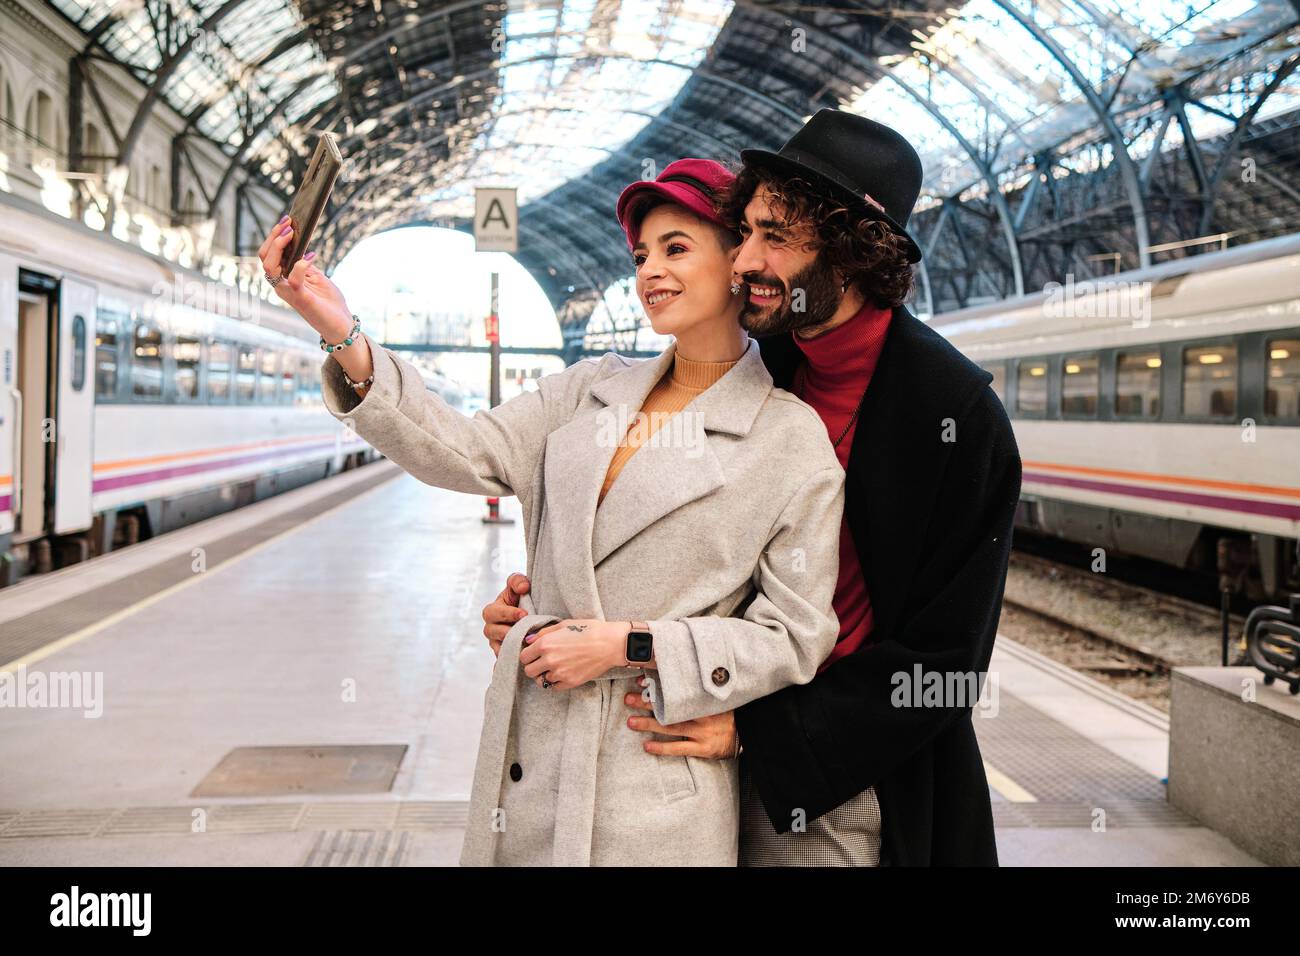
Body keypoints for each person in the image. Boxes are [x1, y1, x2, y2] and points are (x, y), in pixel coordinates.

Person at [256, 158, 846, 865]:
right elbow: (463, 450)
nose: (649, 270)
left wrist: (630, 644)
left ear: (737, 260)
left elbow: (794, 634)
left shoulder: (787, 438)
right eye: (641, 254)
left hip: (657, 792)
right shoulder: (587, 392)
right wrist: (339, 327)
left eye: (676, 248)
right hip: (532, 775)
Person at [482, 110, 1023, 866]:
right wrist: (549, 609)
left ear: (853, 250)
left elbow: (944, 662)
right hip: (692, 737)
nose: (744, 262)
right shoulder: (761, 367)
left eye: (775, 236)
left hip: (838, 780)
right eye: (746, 233)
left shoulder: (955, 415)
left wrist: (758, 734)